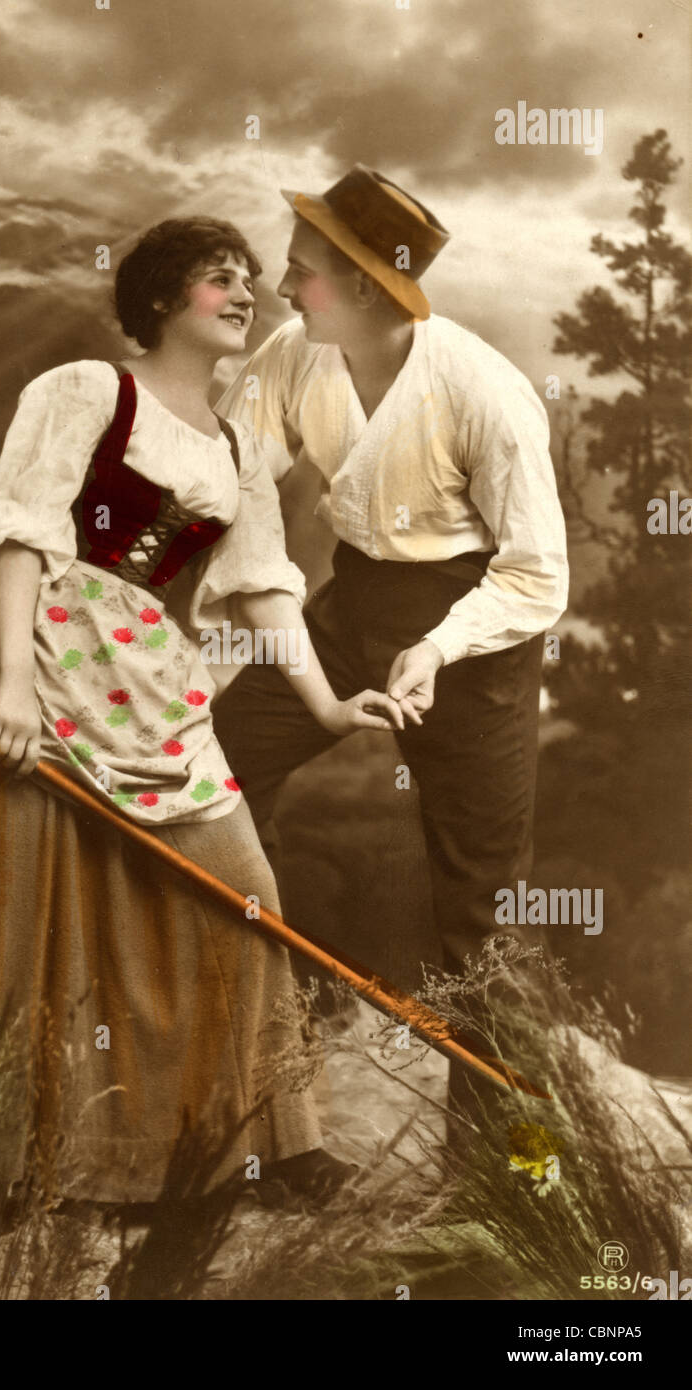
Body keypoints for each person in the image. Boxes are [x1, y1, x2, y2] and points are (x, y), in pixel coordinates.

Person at [0, 215, 407, 1235]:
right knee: (35, 905)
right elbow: (19, 535)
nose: (245, 294)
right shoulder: (85, 390)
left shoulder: (236, 447)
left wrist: (325, 705)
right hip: (41, 651)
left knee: (245, 893)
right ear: (164, 296)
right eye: (219, 277)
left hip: (147, 674)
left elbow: (261, 588)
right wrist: (10, 685)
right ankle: (22, 1167)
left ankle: (279, 1144)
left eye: (249, 279)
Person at [214, 166, 570, 1127]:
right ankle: (262, 1058)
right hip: (351, 604)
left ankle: (493, 1169)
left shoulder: (483, 392)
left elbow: (537, 576)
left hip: (478, 630)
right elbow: (233, 482)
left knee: (480, 903)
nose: (280, 289)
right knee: (217, 771)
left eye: (302, 272)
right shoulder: (295, 355)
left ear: (367, 288)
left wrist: (439, 649)